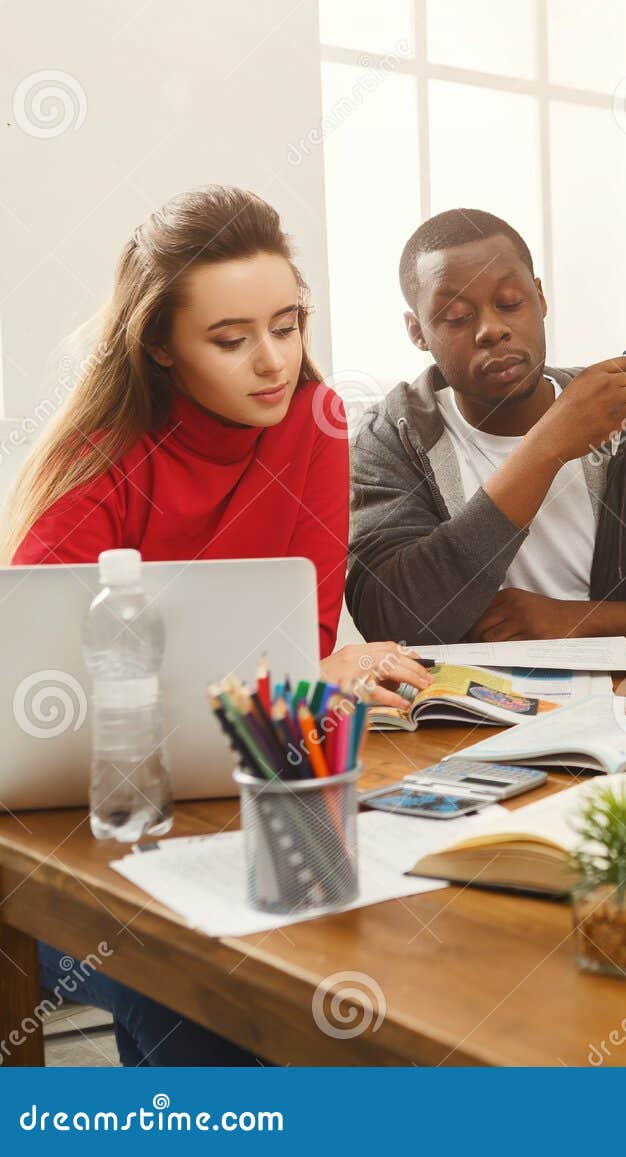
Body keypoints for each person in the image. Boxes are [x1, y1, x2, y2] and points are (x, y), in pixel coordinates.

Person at [5, 185, 430, 1064]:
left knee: (385, 966)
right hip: (95, 833)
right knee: (211, 1010)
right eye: (232, 340)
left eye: (289, 324)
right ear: (159, 343)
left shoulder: (316, 423)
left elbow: (297, 644)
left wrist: (327, 665)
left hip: (260, 794)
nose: (274, 361)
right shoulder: (101, 464)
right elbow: (33, 695)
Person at [345, 209, 626, 651]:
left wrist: (577, 622)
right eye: (456, 317)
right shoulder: (391, 437)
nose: (492, 329)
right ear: (418, 331)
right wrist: (546, 447)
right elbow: (391, 622)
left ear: (540, 298)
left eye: (510, 303)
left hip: (623, 708)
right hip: (461, 716)